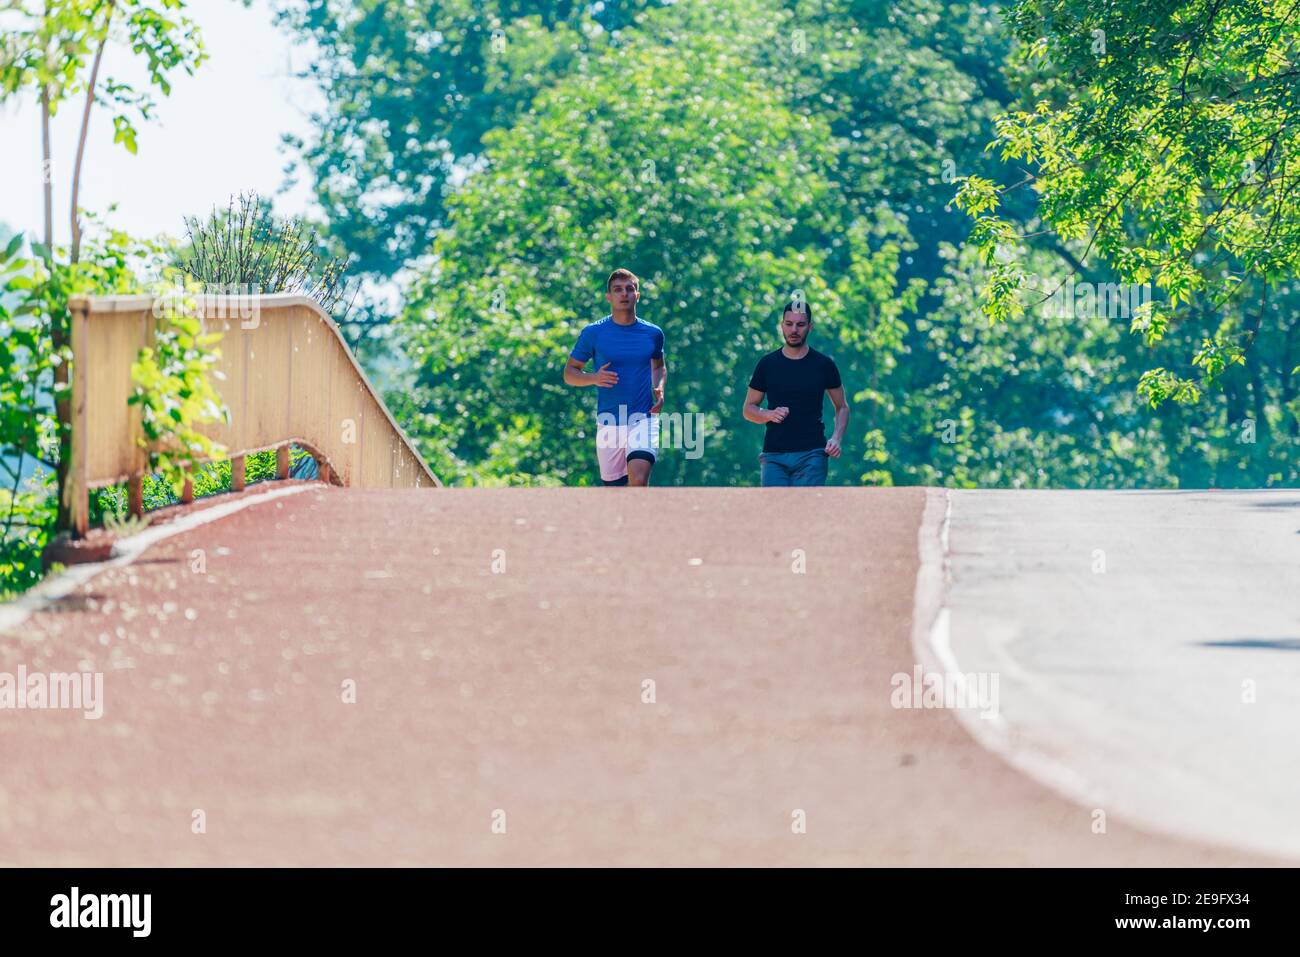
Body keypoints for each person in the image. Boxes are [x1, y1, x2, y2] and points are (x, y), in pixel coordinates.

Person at [563, 268, 666, 486]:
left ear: (637, 295)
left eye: (630, 289)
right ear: (609, 296)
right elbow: (570, 373)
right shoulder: (593, 333)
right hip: (609, 422)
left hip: (643, 418)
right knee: (615, 491)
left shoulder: (653, 333)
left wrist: (659, 388)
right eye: (618, 290)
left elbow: (659, 366)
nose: (624, 294)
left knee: (638, 480)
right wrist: (594, 378)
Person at [743, 299, 848, 486]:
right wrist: (769, 414)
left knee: (806, 513)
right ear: (782, 326)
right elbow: (748, 409)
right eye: (789, 324)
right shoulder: (767, 364)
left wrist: (836, 438)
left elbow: (842, 407)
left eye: (800, 325)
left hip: (812, 454)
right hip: (774, 456)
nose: (794, 330)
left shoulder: (824, 365)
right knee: (774, 513)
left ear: (810, 327)